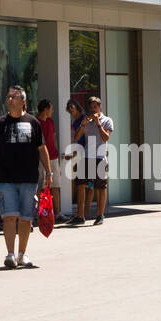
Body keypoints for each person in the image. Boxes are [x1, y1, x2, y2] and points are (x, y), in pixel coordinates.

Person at [0, 85, 48, 268]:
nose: (10, 99)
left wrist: (48, 173)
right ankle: (10, 254)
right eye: (9, 96)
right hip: (6, 179)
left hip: (29, 177)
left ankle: (22, 254)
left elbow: (42, 149)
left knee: (26, 217)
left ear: (23, 101)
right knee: (9, 216)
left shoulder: (34, 122)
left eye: (15, 97)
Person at [68, 97, 113, 226]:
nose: (93, 110)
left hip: (100, 157)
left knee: (100, 187)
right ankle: (80, 216)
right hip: (86, 156)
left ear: (100, 107)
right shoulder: (86, 121)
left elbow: (106, 137)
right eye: (91, 107)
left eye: (95, 107)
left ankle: (100, 215)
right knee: (80, 184)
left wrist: (98, 123)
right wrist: (83, 124)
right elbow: (77, 137)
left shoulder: (107, 120)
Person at [36, 99, 62, 218]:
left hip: (53, 157)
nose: (52, 111)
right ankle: (40, 213)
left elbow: (53, 138)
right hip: (41, 159)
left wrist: (56, 151)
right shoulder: (36, 122)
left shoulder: (50, 121)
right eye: (51, 108)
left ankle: (58, 213)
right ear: (45, 109)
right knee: (41, 185)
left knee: (55, 185)